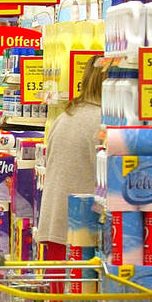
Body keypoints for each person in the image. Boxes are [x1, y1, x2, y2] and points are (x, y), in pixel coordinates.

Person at [35, 60, 107, 259]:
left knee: (58, 287)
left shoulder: (67, 115)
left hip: (55, 223)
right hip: (80, 232)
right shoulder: (101, 121)